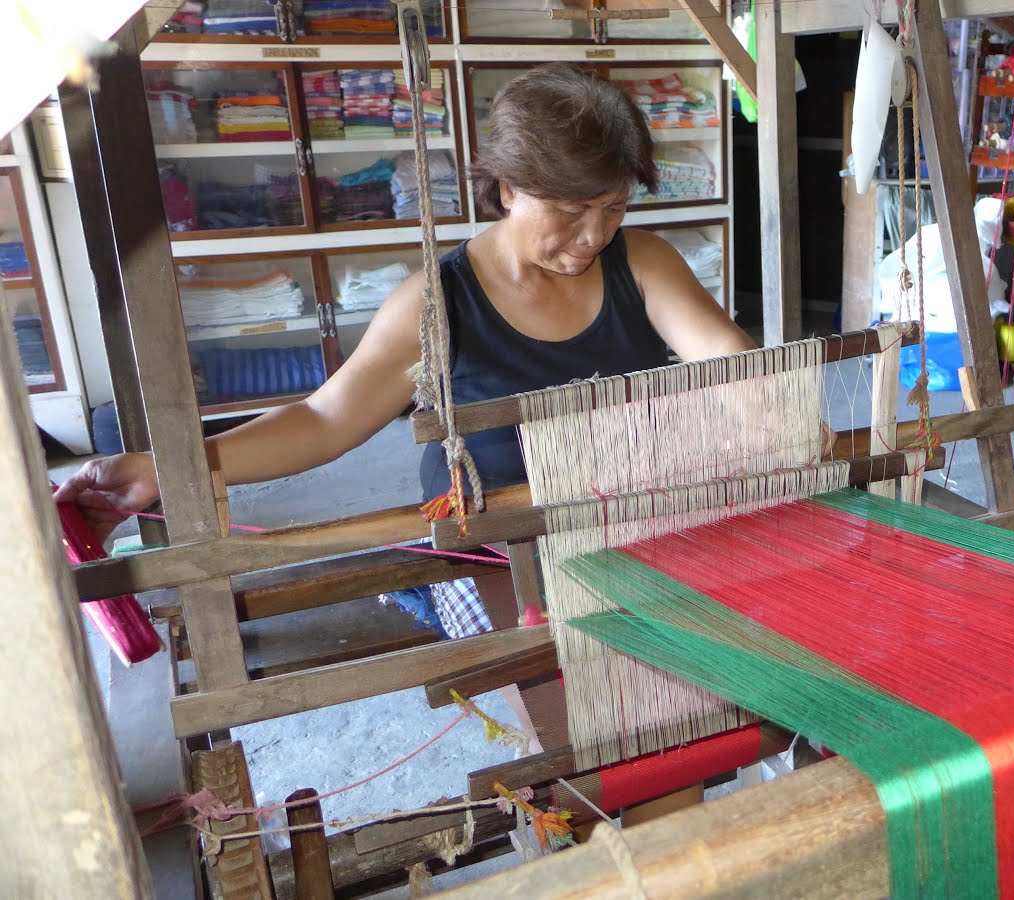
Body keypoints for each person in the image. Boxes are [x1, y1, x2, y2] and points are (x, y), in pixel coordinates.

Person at [55, 64, 760, 734]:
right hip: (494, 551)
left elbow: (731, 363)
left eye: (613, 208)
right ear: (507, 188)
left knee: (717, 689)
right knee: (581, 726)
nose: (593, 236)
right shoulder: (436, 303)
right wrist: (170, 467)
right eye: (570, 209)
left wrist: (771, 424)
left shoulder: (643, 263)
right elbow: (323, 419)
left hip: (629, 519)